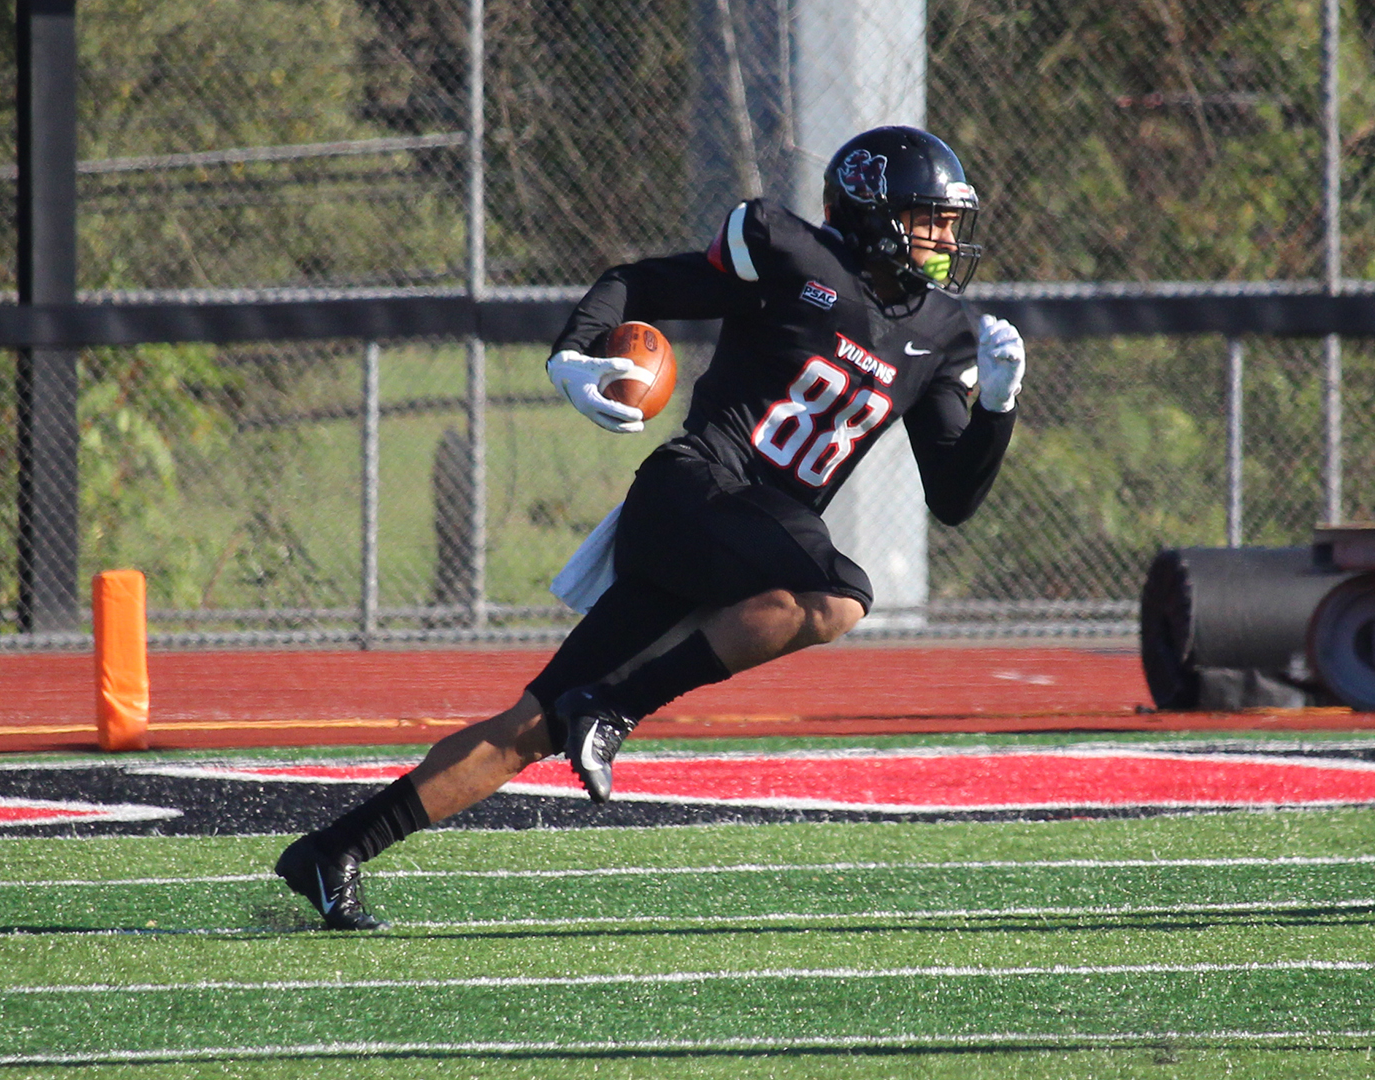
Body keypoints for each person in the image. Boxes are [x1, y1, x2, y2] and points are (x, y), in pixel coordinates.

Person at [274, 125, 1027, 930]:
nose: (944, 239)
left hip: (746, 543)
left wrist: (998, 407)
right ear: (873, 211)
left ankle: (335, 850)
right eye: (928, 218)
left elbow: (953, 496)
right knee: (839, 593)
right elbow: (636, 283)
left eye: (949, 222)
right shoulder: (792, 255)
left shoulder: (941, 332)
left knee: (532, 725)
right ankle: (615, 707)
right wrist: (571, 354)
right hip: (693, 494)